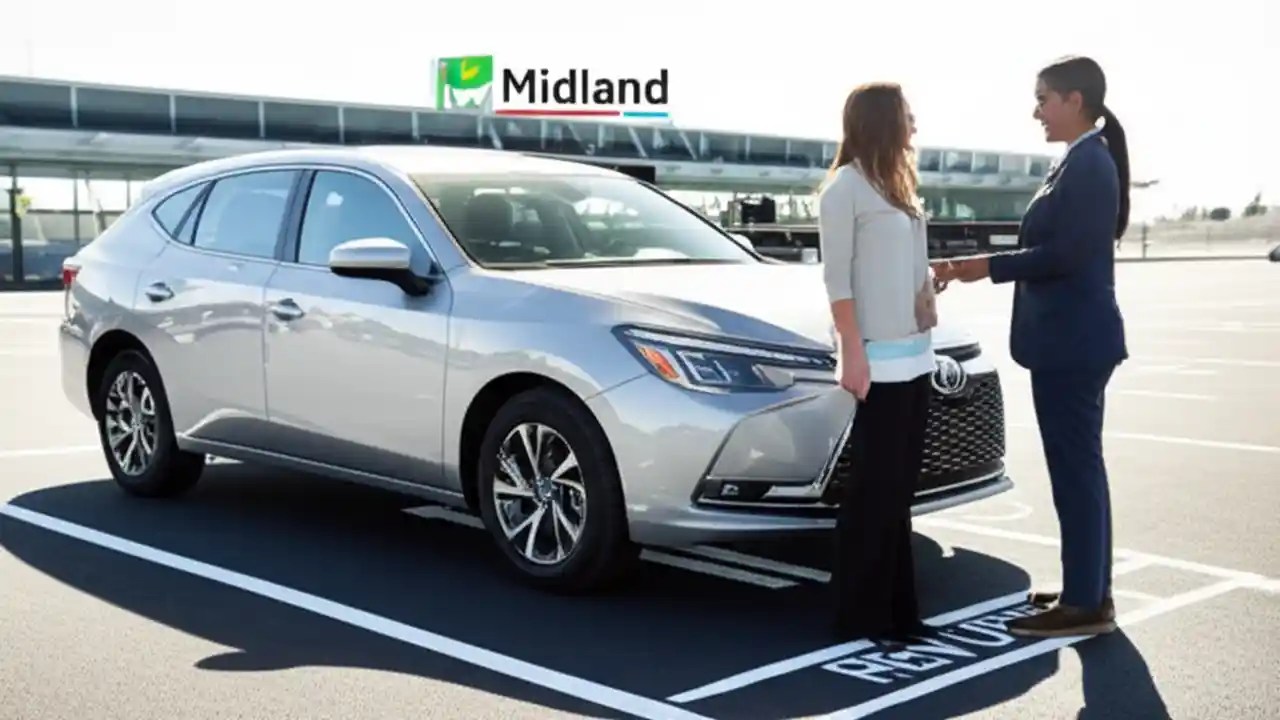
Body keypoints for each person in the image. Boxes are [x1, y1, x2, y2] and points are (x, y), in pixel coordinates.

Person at [933, 55, 1129, 638]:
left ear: (1075, 100)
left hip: (1073, 345)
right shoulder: (1077, 161)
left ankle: (1086, 603)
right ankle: (1087, 590)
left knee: (1076, 472)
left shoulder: (1089, 164)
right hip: (1067, 342)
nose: (1036, 110)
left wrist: (980, 267)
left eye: (1044, 98)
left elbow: (1065, 255)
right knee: (1078, 470)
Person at [818, 82, 943, 643]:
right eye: (907, 115)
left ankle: (901, 614)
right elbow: (837, 279)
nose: (915, 123)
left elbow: (907, 266)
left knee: (899, 489)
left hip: (915, 356)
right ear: (882, 121)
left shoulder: (898, 187)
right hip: (877, 362)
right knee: (873, 490)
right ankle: (859, 616)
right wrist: (851, 352)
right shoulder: (845, 189)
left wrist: (926, 296)